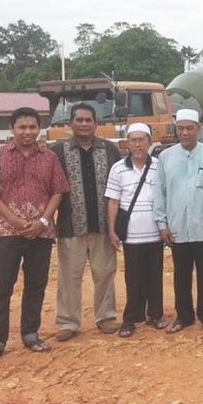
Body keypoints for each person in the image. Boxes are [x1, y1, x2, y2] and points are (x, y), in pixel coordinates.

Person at [0, 107, 70, 365]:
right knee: (1, 287)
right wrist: (14, 220)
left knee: (36, 285)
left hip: (41, 233)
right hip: (6, 232)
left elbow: (58, 191)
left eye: (32, 127)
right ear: (12, 128)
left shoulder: (49, 158)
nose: (27, 132)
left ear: (38, 128)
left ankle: (31, 334)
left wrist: (43, 221)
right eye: (22, 127)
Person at [51, 104, 122, 341]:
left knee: (105, 273)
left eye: (88, 120)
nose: (83, 124)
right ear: (70, 123)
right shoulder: (58, 151)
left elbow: (120, 186)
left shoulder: (109, 149)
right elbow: (51, 188)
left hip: (104, 226)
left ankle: (106, 316)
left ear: (96, 123)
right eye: (79, 120)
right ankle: (68, 322)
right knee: (70, 276)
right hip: (71, 225)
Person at [154, 109, 203, 335]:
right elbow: (160, 193)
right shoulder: (165, 157)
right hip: (177, 228)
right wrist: (162, 224)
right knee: (181, 275)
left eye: (189, 128)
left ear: (198, 129)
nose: (185, 132)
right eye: (180, 128)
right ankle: (184, 316)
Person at [105, 123, 165, 338]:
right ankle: (131, 318)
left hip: (155, 233)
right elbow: (113, 202)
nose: (138, 144)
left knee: (155, 276)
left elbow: (165, 197)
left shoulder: (160, 166)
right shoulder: (118, 168)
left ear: (149, 142)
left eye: (142, 140)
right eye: (133, 140)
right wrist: (112, 231)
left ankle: (156, 315)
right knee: (133, 277)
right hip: (131, 235)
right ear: (128, 143)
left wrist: (164, 227)